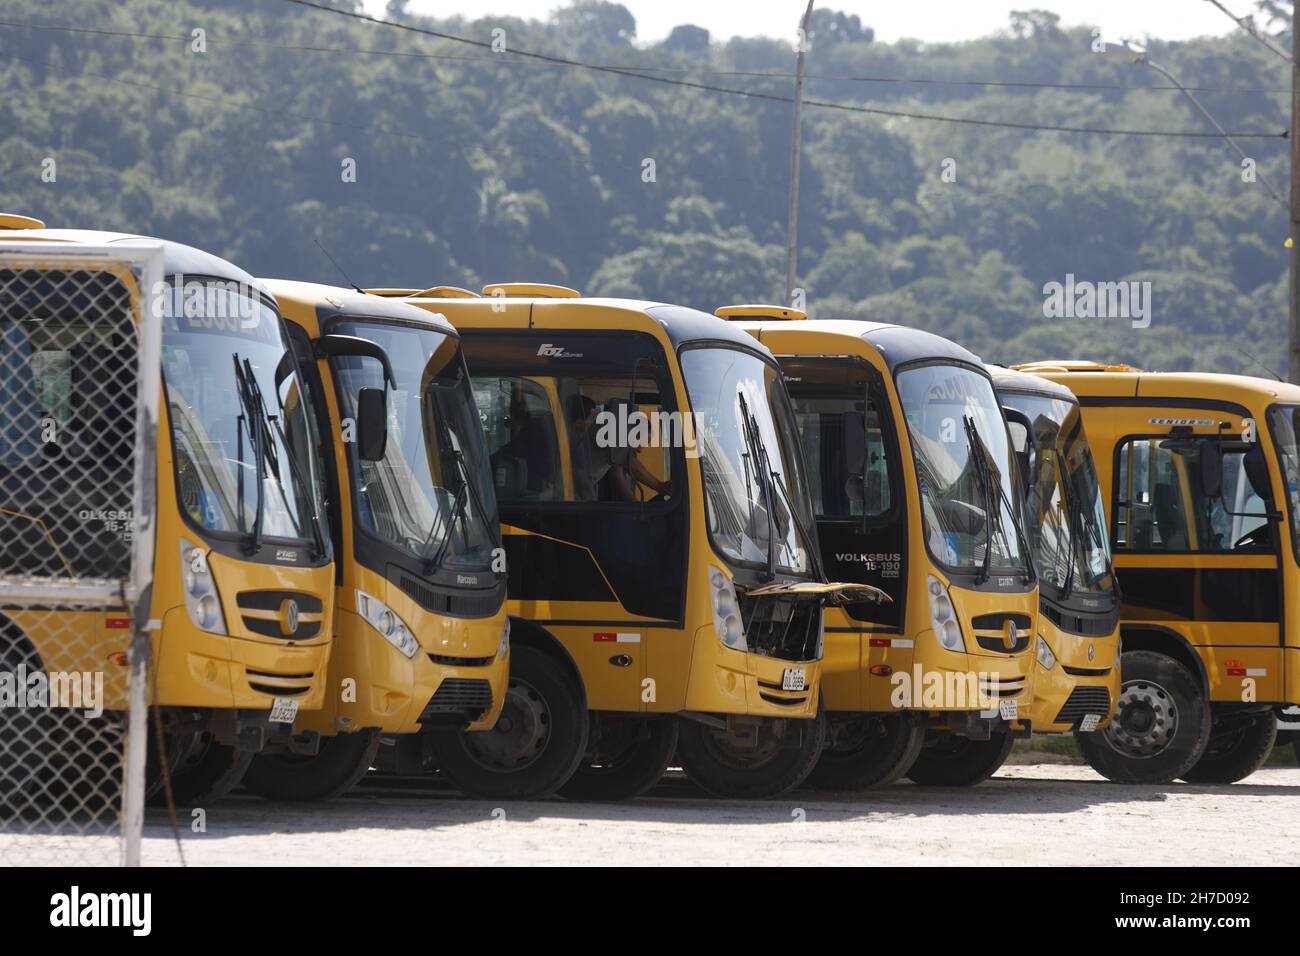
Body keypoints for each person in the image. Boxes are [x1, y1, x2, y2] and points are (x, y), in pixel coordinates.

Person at [567, 394, 672, 503]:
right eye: (641, 441)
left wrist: (635, 506)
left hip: (576, 489)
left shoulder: (615, 452)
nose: (640, 450)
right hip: (568, 485)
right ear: (631, 431)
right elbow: (630, 461)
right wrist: (659, 486)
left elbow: (617, 475)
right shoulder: (609, 429)